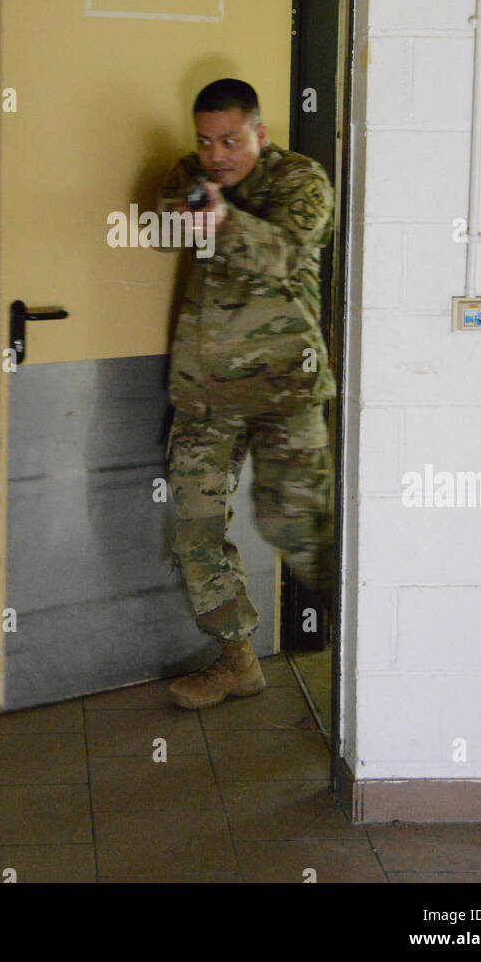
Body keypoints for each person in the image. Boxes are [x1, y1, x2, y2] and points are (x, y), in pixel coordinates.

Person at [157, 78, 336, 709]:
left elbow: (286, 254)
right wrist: (187, 205)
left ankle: (365, 647)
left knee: (299, 525)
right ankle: (236, 659)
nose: (217, 155)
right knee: (196, 529)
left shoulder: (302, 182)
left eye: (231, 140)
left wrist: (223, 219)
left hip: (287, 386)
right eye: (206, 141)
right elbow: (161, 217)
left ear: (260, 133)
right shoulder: (194, 174)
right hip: (208, 392)